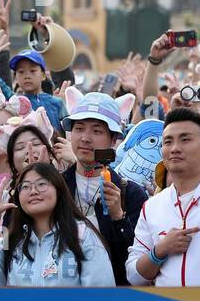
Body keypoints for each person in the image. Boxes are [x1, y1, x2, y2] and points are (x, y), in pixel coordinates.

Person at [0, 163, 114, 287]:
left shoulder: (82, 235)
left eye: (41, 184)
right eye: (25, 186)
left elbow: (102, 298)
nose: (33, 191)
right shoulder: (10, 242)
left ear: (59, 190)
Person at [60, 89, 146, 287]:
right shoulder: (55, 187)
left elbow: (136, 264)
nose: (85, 138)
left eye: (97, 131)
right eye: (79, 128)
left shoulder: (131, 194)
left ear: (114, 140)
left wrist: (119, 218)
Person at [128, 107, 200, 286]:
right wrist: (160, 250)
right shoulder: (152, 207)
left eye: (185, 140)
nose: (175, 148)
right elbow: (134, 276)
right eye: (168, 141)